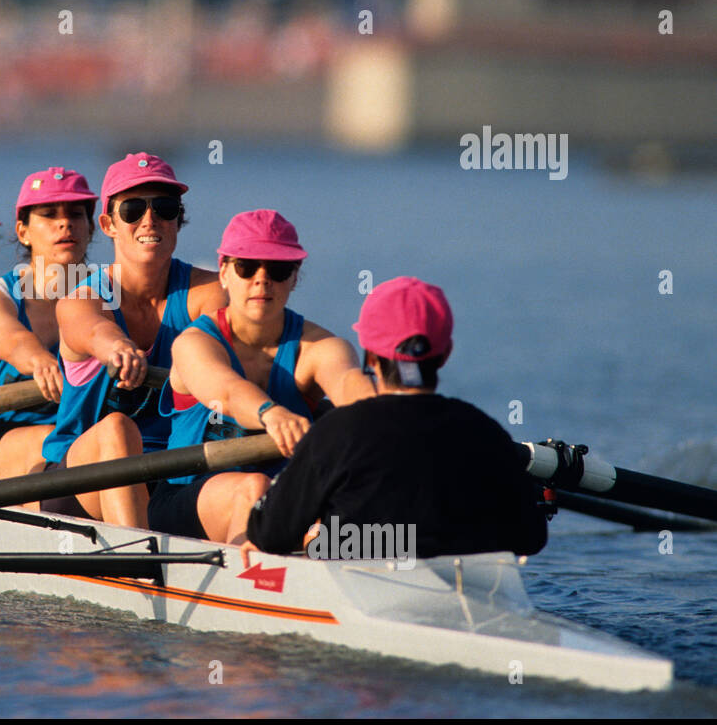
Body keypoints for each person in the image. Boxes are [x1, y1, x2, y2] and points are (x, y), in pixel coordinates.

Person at [245, 276, 548, 559]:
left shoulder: (335, 432)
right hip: (468, 590)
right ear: (445, 354)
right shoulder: (486, 431)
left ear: (371, 357)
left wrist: (318, 536)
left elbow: (268, 532)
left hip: (360, 582)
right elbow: (530, 538)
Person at [151, 210, 374, 544]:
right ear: (224, 273)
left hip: (284, 503)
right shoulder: (193, 343)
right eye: (247, 266)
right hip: (185, 499)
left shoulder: (320, 347)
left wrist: (385, 417)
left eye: (278, 269)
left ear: (295, 277)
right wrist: (270, 412)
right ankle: (251, 585)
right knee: (254, 488)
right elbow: (225, 391)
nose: (262, 279)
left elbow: (346, 382)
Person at [39, 153, 226, 528]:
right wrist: (118, 349)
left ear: (178, 219)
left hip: (171, 476)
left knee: (245, 488)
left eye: (164, 207)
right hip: (79, 482)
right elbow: (94, 329)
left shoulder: (209, 292)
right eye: (134, 209)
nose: (149, 220)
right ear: (108, 224)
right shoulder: (80, 299)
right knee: (117, 429)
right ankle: (140, 565)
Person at [0, 168, 97, 487]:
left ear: (90, 227)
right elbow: (15, 340)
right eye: (49, 214)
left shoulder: (110, 297)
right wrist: (39, 360)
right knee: (65, 442)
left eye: (76, 214)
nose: (65, 223)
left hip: (82, 443)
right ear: (23, 232)